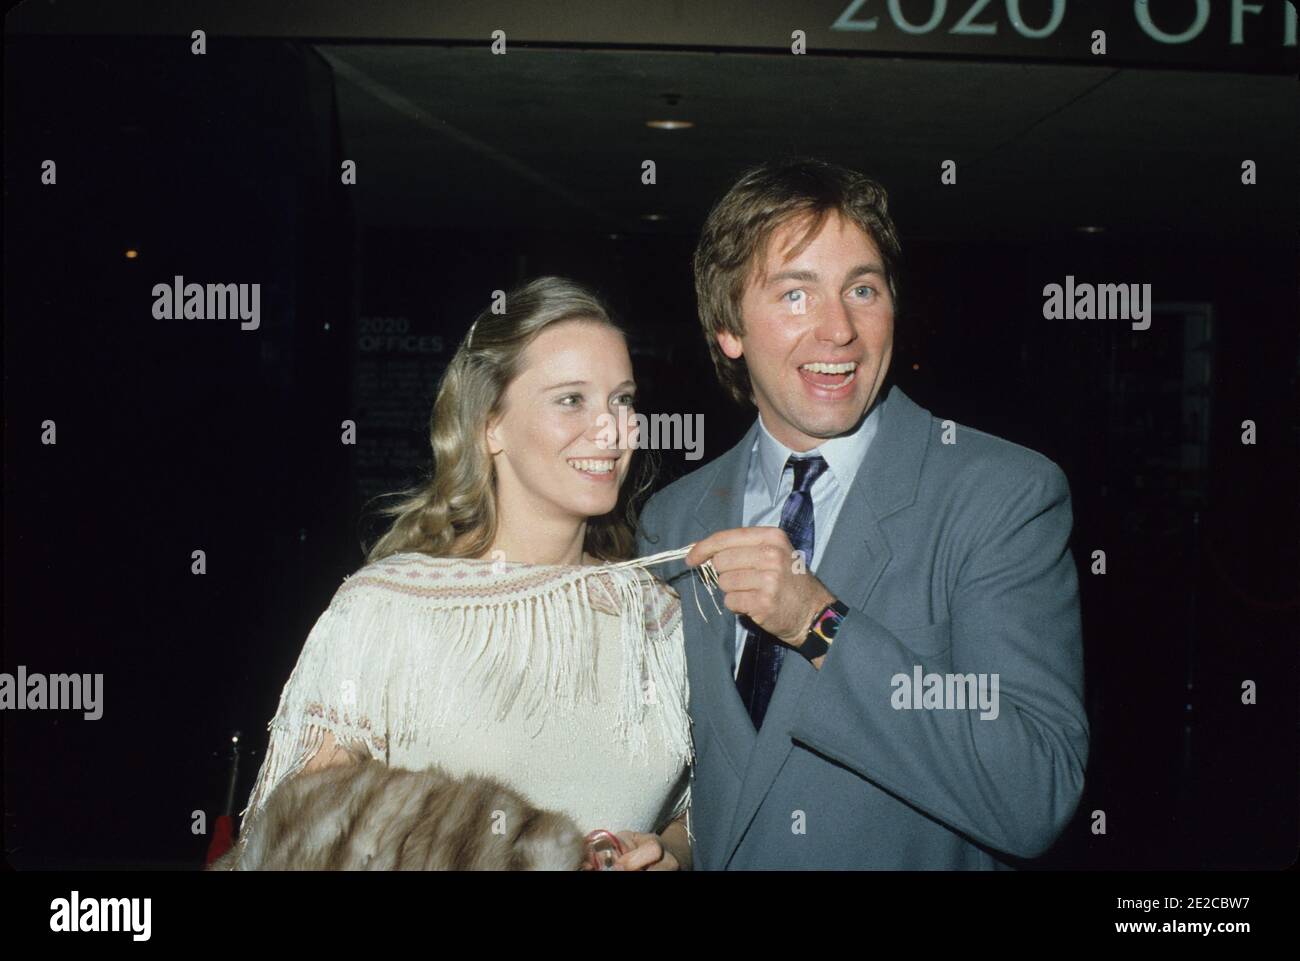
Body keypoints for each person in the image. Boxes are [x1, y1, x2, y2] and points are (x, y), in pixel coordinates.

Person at [637, 157, 1089, 869]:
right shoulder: (673, 520)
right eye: (795, 295)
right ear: (728, 327)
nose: (839, 329)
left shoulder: (1002, 495)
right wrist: (672, 849)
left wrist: (819, 625)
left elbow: (1033, 793)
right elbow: (716, 781)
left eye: (863, 289)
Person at [233, 276, 693, 870]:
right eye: (571, 399)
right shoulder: (389, 610)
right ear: (489, 425)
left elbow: (700, 812)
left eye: (622, 400)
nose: (609, 430)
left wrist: (669, 853)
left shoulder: (658, 618)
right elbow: (292, 844)